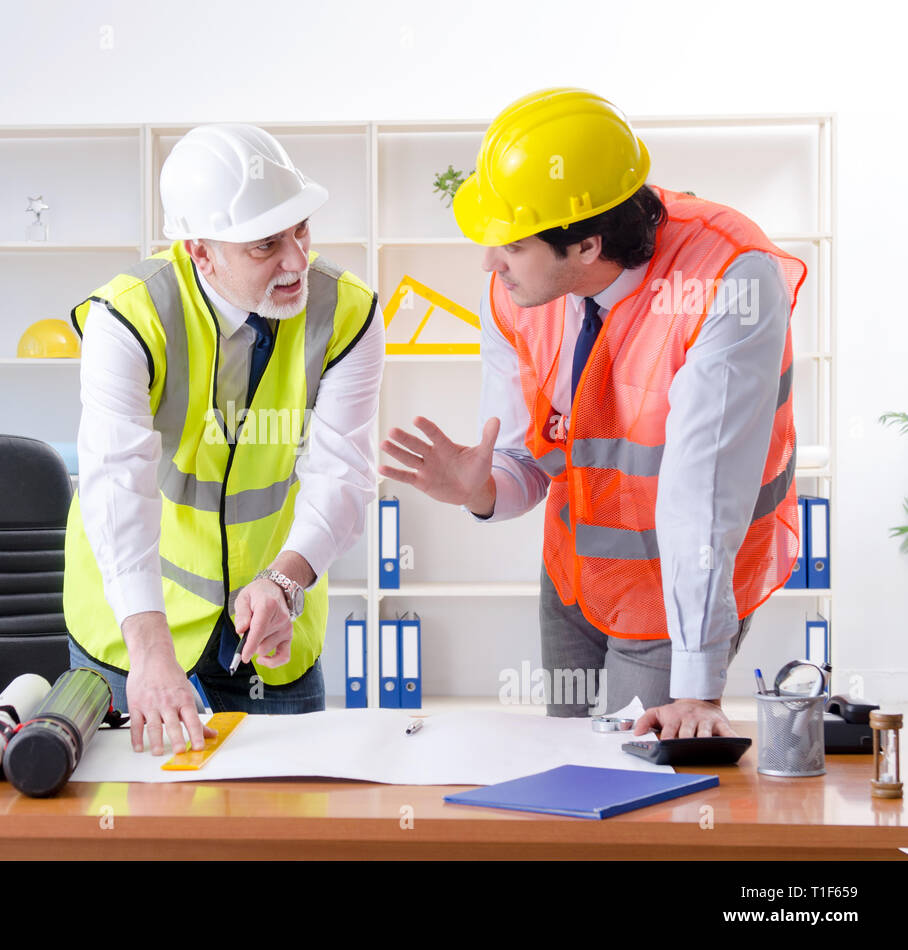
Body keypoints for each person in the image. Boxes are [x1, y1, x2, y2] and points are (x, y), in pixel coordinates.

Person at [381, 88, 804, 739]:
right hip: (574, 574)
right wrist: (485, 488)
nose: (491, 264)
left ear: (585, 246)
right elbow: (531, 456)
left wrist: (697, 687)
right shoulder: (517, 290)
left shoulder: (727, 280)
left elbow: (703, 493)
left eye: (512, 245)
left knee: (640, 794)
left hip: (677, 585)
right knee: (569, 773)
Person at [64, 124, 383, 755]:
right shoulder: (128, 317)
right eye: (265, 244)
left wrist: (287, 581)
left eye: (301, 231)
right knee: (131, 826)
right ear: (200, 252)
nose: (296, 260)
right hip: (138, 620)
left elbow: (342, 472)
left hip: (271, 622)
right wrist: (151, 648)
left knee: (288, 817)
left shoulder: (347, 312)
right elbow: (116, 484)